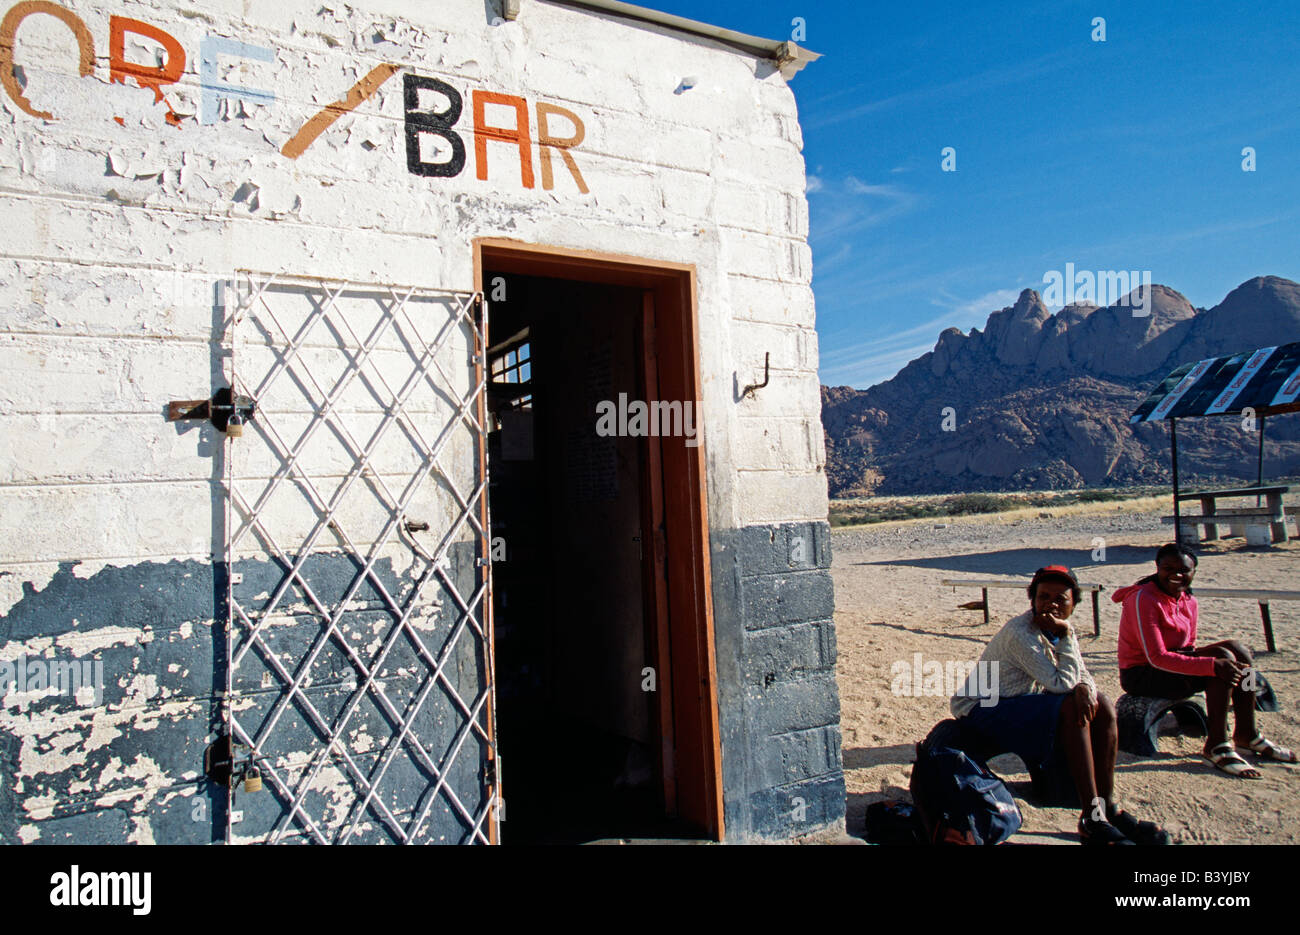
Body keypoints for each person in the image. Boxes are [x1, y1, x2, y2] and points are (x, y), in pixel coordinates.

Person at [952, 565, 1166, 845]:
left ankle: (1107, 806)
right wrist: (1068, 640)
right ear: (1033, 600)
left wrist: (1087, 687)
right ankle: (1091, 817)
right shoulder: (1022, 632)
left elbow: (1081, 674)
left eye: (1060, 599)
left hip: (1020, 702)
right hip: (981, 708)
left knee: (1103, 704)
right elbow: (1062, 684)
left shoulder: (1059, 630)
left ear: (1074, 604)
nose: (1050, 605)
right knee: (1070, 705)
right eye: (1043, 597)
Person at [1114, 542, 1297, 779]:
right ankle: (1216, 744)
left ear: (1193, 572)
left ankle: (1247, 733)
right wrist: (1210, 665)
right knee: (1220, 662)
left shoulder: (1189, 600)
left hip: (1172, 666)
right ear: (1157, 568)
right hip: (1142, 673)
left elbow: (1188, 647)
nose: (1176, 575)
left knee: (1238, 651)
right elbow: (1156, 656)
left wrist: (1211, 663)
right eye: (1168, 568)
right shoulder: (1143, 599)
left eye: (1184, 570)